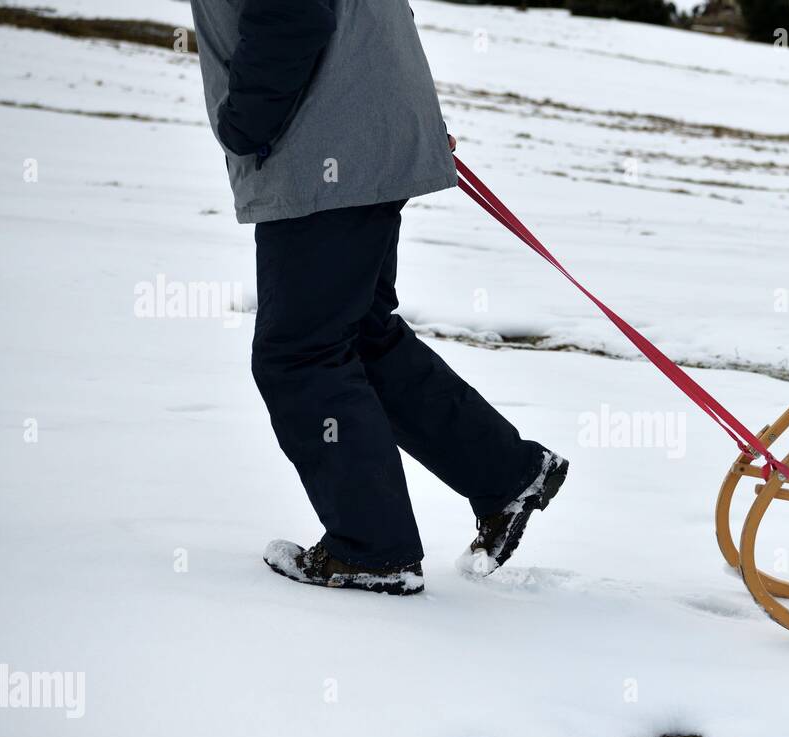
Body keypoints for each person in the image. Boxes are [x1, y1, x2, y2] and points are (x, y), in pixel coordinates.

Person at [189, 0, 566, 595]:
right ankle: (505, 475)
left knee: (301, 354)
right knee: (357, 334)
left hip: (324, 148)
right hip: (360, 134)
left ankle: (372, 548)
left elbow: (293, 16)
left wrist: (243, 122)